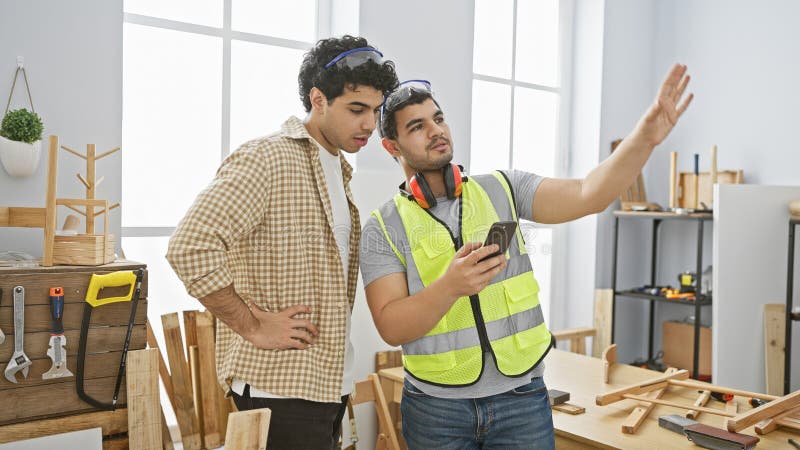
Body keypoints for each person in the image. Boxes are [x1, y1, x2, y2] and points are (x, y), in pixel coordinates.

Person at [360, 65, 692, 449]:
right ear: (392, 146)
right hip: (437, 409)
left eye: (438, 118)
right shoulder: (382, 227)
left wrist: (644, 140)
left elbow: (589, 193)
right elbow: (391, 325)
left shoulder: (504, 188)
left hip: (522, 399)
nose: (436, 130)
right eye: (417, 126)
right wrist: (450, 287)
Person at [166, 35, 398, 450]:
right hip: (279, 390)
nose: (369, 124)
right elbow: (190, 246)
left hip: (324, 386)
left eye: (376, 111)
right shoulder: (268, 158)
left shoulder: (337, 170)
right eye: (357, 109)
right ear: (318, 99)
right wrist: (251, 325)